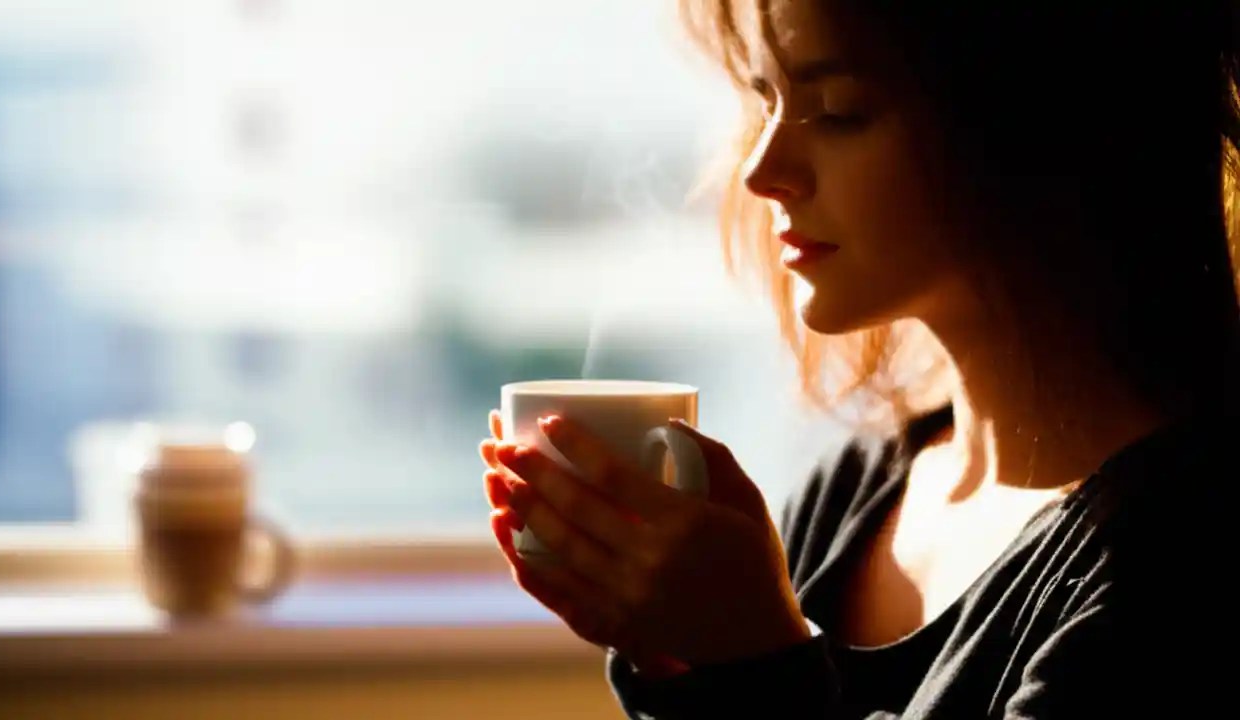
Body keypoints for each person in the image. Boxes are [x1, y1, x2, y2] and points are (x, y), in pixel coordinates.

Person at [480, 1, 1239, 716]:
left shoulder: (1184, 562)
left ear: (1042, 121)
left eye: (839, 111)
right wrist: (680, 659)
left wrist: (755, 667)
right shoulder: (853, 492)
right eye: (765, 101)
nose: (761, 171)